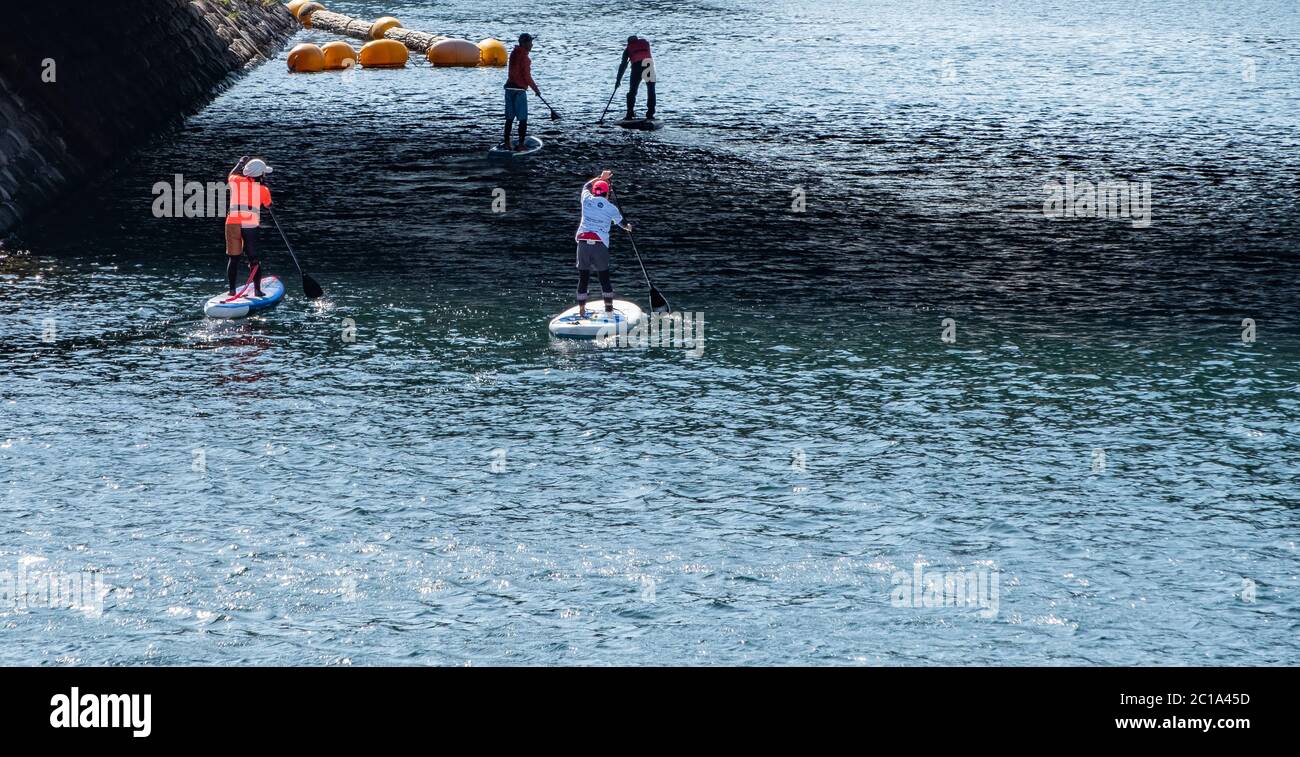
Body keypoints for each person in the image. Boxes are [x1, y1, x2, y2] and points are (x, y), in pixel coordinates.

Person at [574, 170, 632, 317]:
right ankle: (608, 309)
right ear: (608, 193)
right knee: (604, 277)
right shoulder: (611, 208)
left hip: (582, 244)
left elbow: (586, 186)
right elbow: (622, 224)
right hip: (599, 245)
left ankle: (581, 309)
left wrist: (601, 177)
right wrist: (628, 227)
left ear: (594, 192)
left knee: (583, 277)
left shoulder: (586, 199)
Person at [225, 156, 272, 296]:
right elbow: (268, 205)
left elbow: (231, 174)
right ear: (260, 174)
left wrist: (240, 163)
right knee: (253, 259)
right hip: (250, 223)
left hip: (232, 222)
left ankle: (231, 290)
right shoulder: (263, 189)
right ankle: (257, 290)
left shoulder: (235, 181)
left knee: (233, 258)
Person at [504, 33, 542, 151]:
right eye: (530, 42)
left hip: (509, 89)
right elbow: (527, 76)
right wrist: (536, 90)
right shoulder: (525, 58)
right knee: (523, 119)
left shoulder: (513, 53)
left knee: (509, 118)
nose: (532, 44)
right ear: (525, 44)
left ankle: (506, 142)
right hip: (519, 91)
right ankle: (521, 145)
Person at [616, 35, 656, 120]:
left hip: (637, 66)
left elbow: (623, 65)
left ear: (629, 42)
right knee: (651, 89)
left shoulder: (628, 49)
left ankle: (630, 113)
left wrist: (618, 80)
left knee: (632, 91)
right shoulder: (645, 43)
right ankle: (650, 114)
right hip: (648, 64)